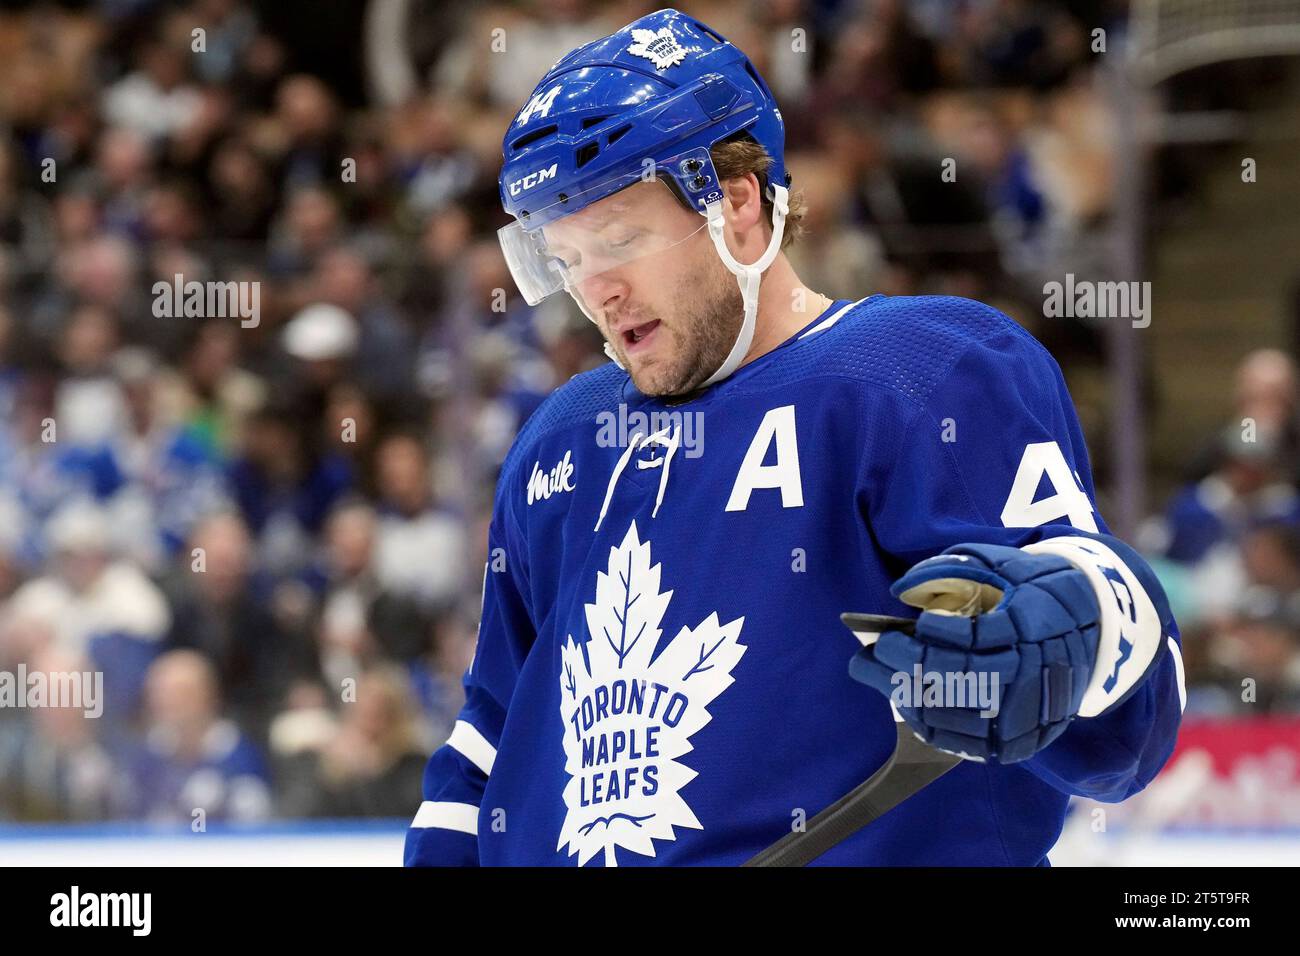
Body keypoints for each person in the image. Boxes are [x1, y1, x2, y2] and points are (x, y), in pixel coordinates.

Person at [404, 9, 1185, 867]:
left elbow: (1122, 716)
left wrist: (1086, 626)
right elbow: (495, 730)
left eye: (620, 238)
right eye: (566, 257)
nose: (598, 291)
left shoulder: (921, 375)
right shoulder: (561, 442)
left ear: (736, 202)